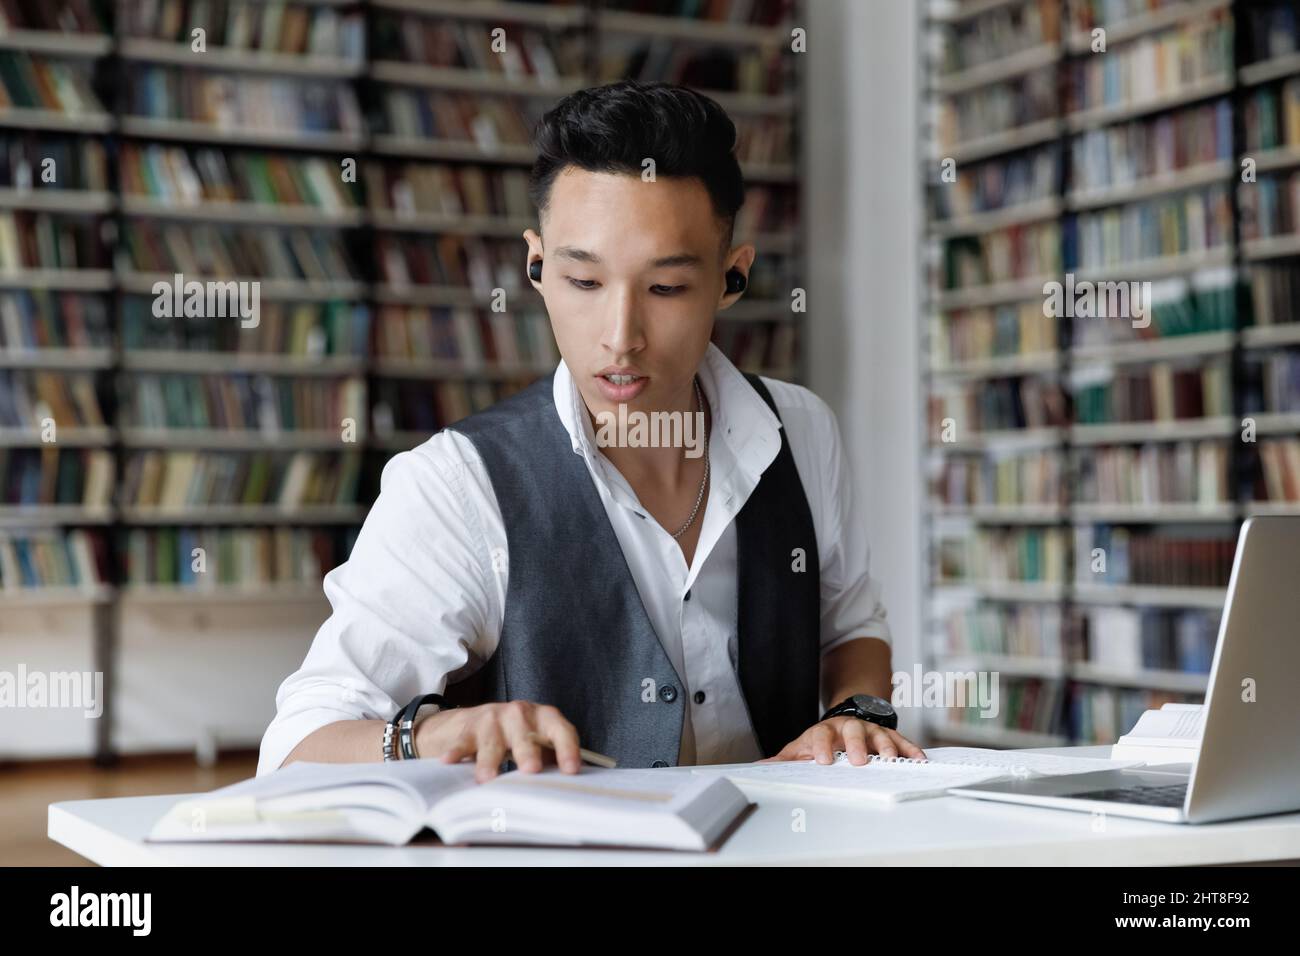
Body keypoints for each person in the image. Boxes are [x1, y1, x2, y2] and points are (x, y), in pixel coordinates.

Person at [257, 79, 923, 782]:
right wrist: (433, 730)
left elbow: (852, 624)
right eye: (583, 283)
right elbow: (298, 742)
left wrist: (860, 715)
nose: (620, 337)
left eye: (665, 289)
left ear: (733, 277)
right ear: (536, 266)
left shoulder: (802, 431)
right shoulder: (456, 485)